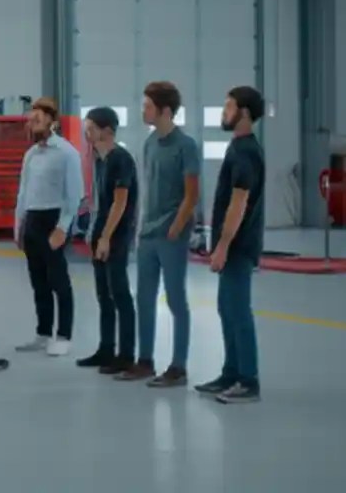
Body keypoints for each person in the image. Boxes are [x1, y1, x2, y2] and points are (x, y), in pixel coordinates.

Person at [119, 81, 199, 386]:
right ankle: (145, 361)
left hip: (171, 236)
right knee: (145, 299)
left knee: (176, 300)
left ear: (165, 110)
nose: (144, 110)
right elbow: (147, 191)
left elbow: (192, 195)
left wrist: (176, 228)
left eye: (148, 106)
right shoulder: (150, 143)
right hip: (148, 235)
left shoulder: (186, 146)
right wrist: (141, 228)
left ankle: (178, 367)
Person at [197, 86, 266, 404]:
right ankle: (231, 372)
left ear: (245, 113)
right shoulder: (237, 147)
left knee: (238, 311)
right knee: (226, 308)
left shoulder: (246, 151)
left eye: (229, 107)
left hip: (239, 245)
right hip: (233, 244)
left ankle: (248, 381)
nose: (224, 112)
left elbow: (239, 202)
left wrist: (223, 245)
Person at [13, 98, 85, 357]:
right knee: (38, 281)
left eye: (38, 120)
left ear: (52, 123)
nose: (33, 124)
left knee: (58, 280)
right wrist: (18, 225)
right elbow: (24, 193)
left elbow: (74, 194)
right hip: (32, 219)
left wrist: (63, 227)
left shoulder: (67, 153)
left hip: (53, 219)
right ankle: (43, 334)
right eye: (31, 120)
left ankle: (64, 336)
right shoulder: (31, 154)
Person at [75, 107, 138, 374]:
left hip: (115, 237)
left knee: (119, 294)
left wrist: (106, 237)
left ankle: (125, 355)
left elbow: (120, 202)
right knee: (103, 295)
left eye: (90, 127)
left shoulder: (120, 159)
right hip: (99, 234)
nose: (86, 132)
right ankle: (106, 348)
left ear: (107, 130)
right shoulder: (99, 159)